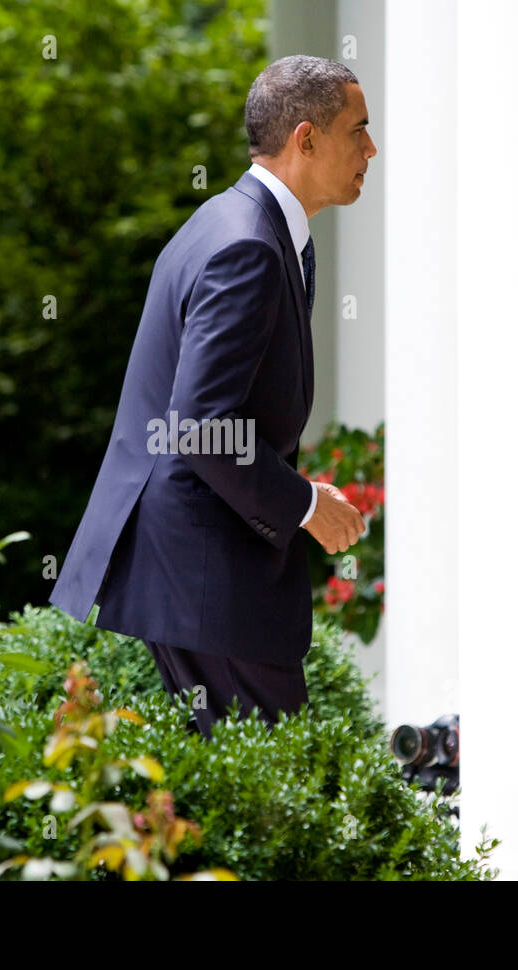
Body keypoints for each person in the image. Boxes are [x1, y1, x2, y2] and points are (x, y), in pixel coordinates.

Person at [49, 54, 377, 737]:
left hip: (193, 576)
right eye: (358, 130)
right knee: (275, 807)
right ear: (306, 138)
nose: (371, 150)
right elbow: (198, 427)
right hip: (209, 580)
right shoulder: (247, 246)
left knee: (226, 806)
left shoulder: (224, 222)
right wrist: (306, 504)